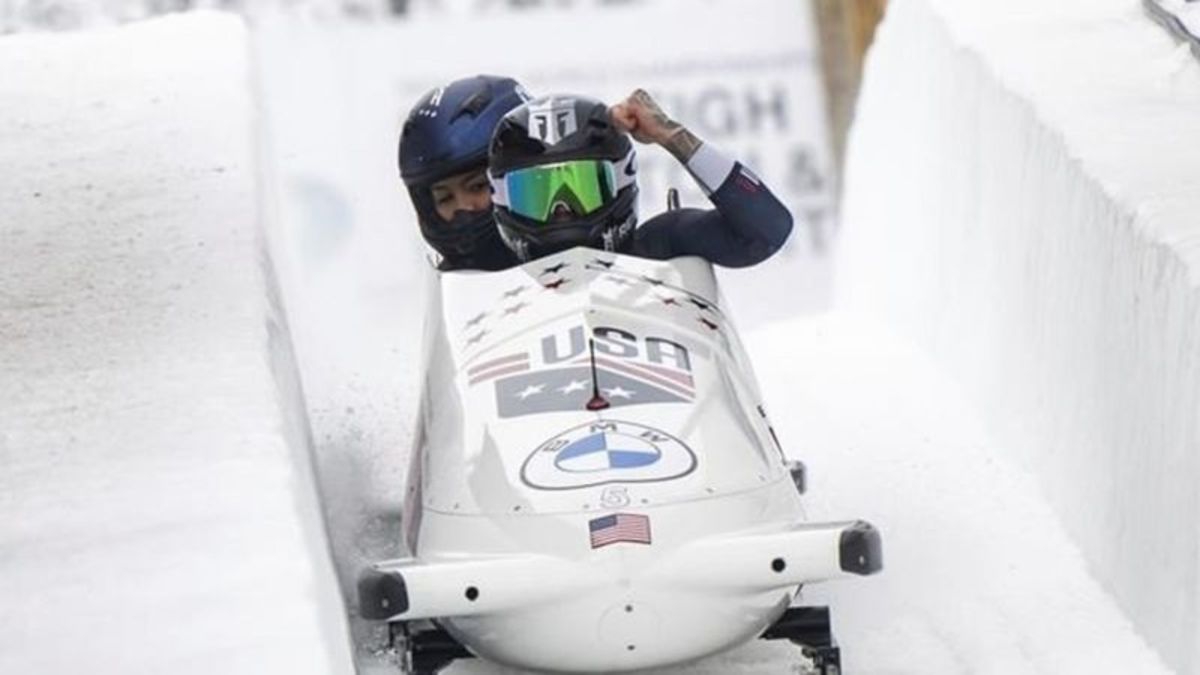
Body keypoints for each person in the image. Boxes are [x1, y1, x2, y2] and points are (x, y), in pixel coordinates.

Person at [487, 89, 793, 266]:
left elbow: (767, 232)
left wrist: (672, 136)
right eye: (536, 193)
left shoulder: (661, 245)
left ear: (623, 178)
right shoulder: (491, 276)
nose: (562, 210)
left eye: (581, 187)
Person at [398, 75, 528, 271]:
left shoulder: (583, 259)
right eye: (445, 198)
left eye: (477, 186)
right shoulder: (447, 295)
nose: (464, 207)